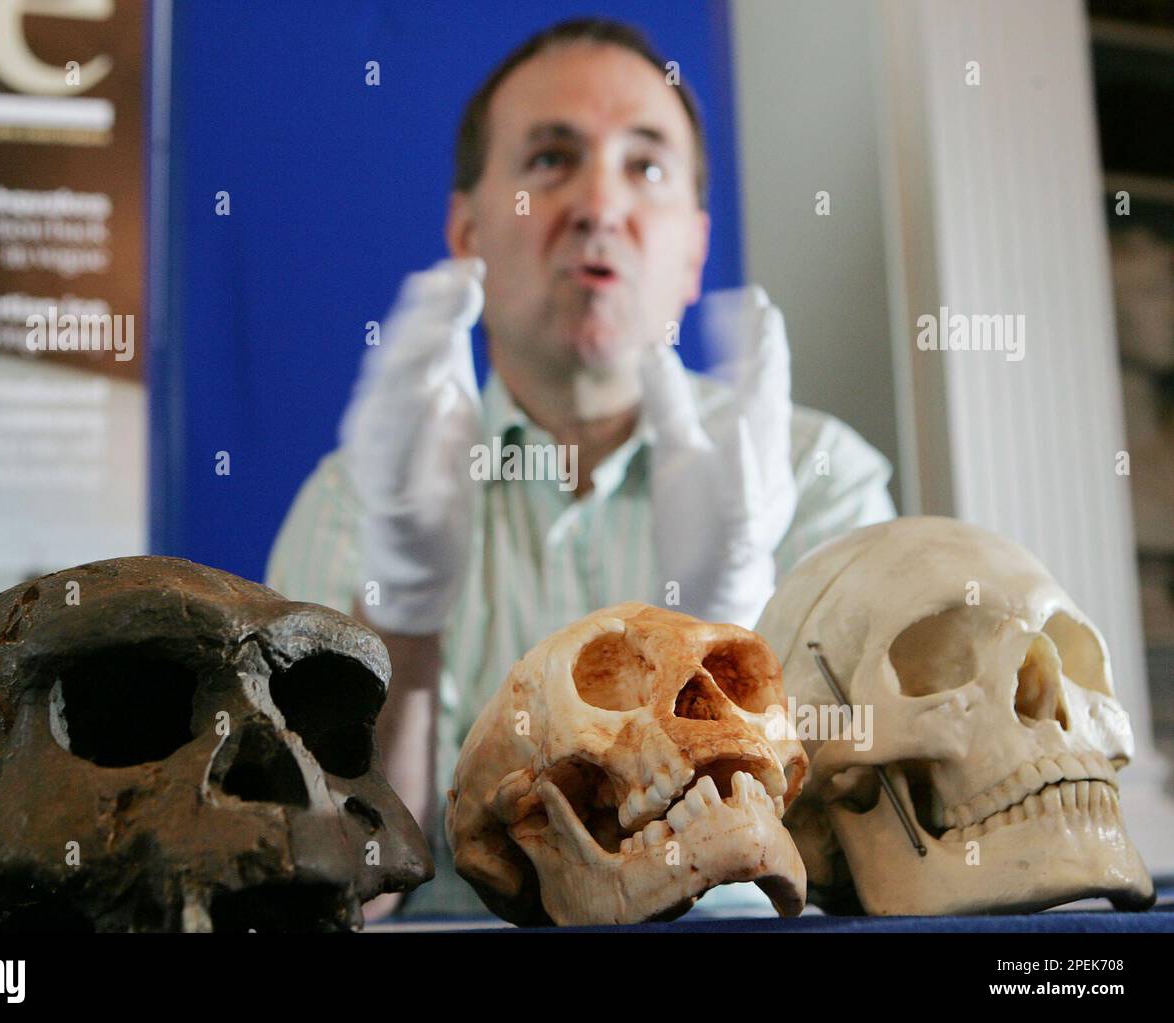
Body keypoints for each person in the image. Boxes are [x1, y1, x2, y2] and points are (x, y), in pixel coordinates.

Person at [267, 17, 895, 919]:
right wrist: (400, 626)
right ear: (467, 230)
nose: (600, 205)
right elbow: (343, 901)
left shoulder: (822, 480)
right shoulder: (356, 504)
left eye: (645, 167)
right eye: (551, 160)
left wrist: (733, 608)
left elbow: (880, 857)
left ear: (693, 248)